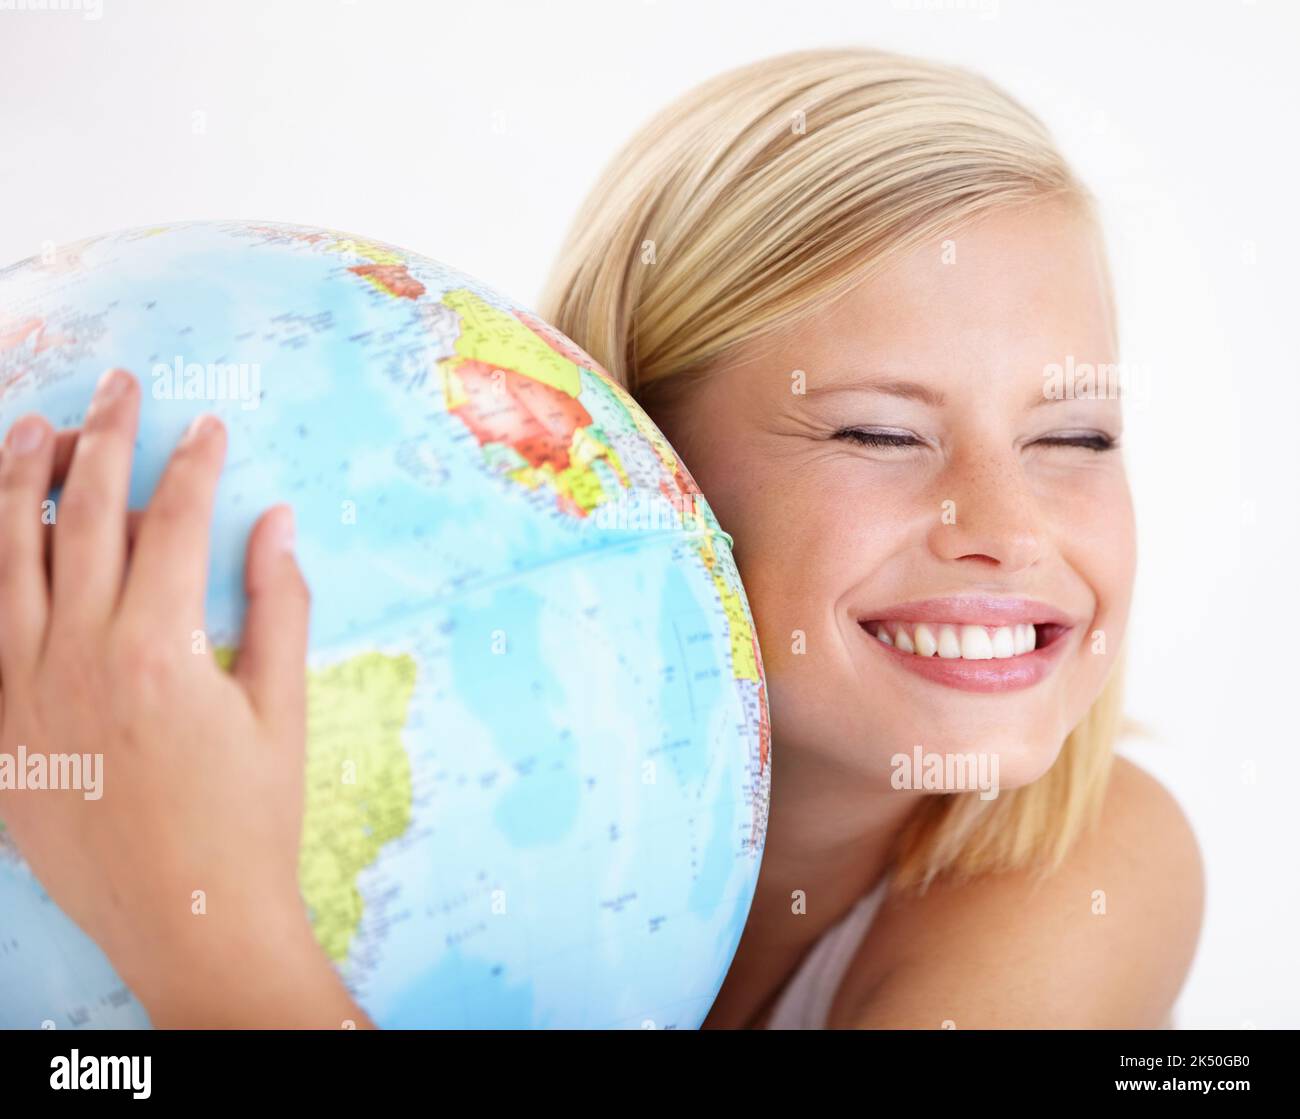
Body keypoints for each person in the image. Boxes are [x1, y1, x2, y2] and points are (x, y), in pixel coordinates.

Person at [0, 47, 1202, 1029]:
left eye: (1077, 438)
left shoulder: (1094, 872)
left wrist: (199, 925)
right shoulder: (419, 794)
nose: (1003, 528)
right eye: (879, 435)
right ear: (644, 454)